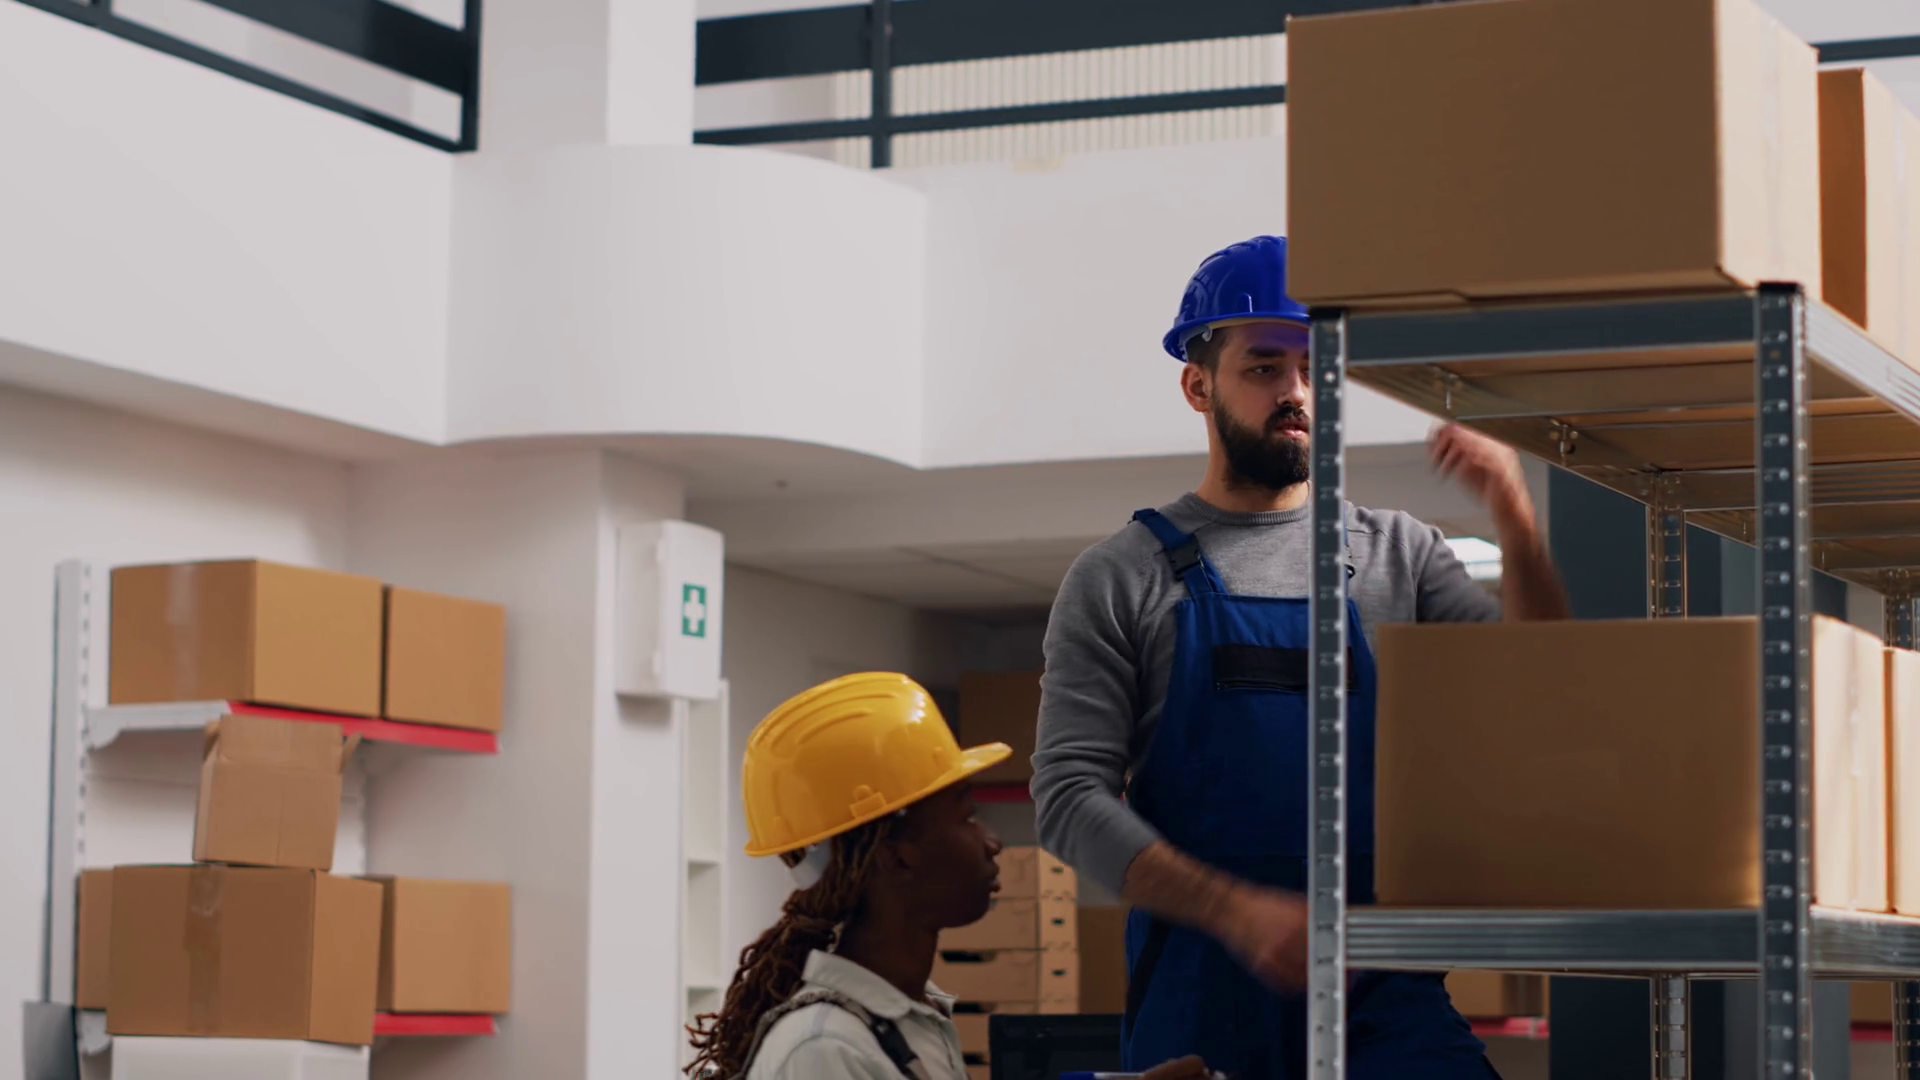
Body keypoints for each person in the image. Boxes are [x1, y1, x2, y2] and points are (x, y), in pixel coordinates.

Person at [1032, 235, 1571, 1078]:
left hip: (1381, 987)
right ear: (1197, 383)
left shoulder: (1401, 554)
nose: (1296, 392)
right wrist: (1235, 912)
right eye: (1264, 366)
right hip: (1206, 989)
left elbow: (1540, 695)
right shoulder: (1120, 576)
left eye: (1317, 367)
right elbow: (1067, 798)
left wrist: (1514, 510)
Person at [685, 672, 1215, 1080]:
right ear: (896, 857)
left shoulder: (908, 1019)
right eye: (965, 817)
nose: (992, 841)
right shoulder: (826, 1050)